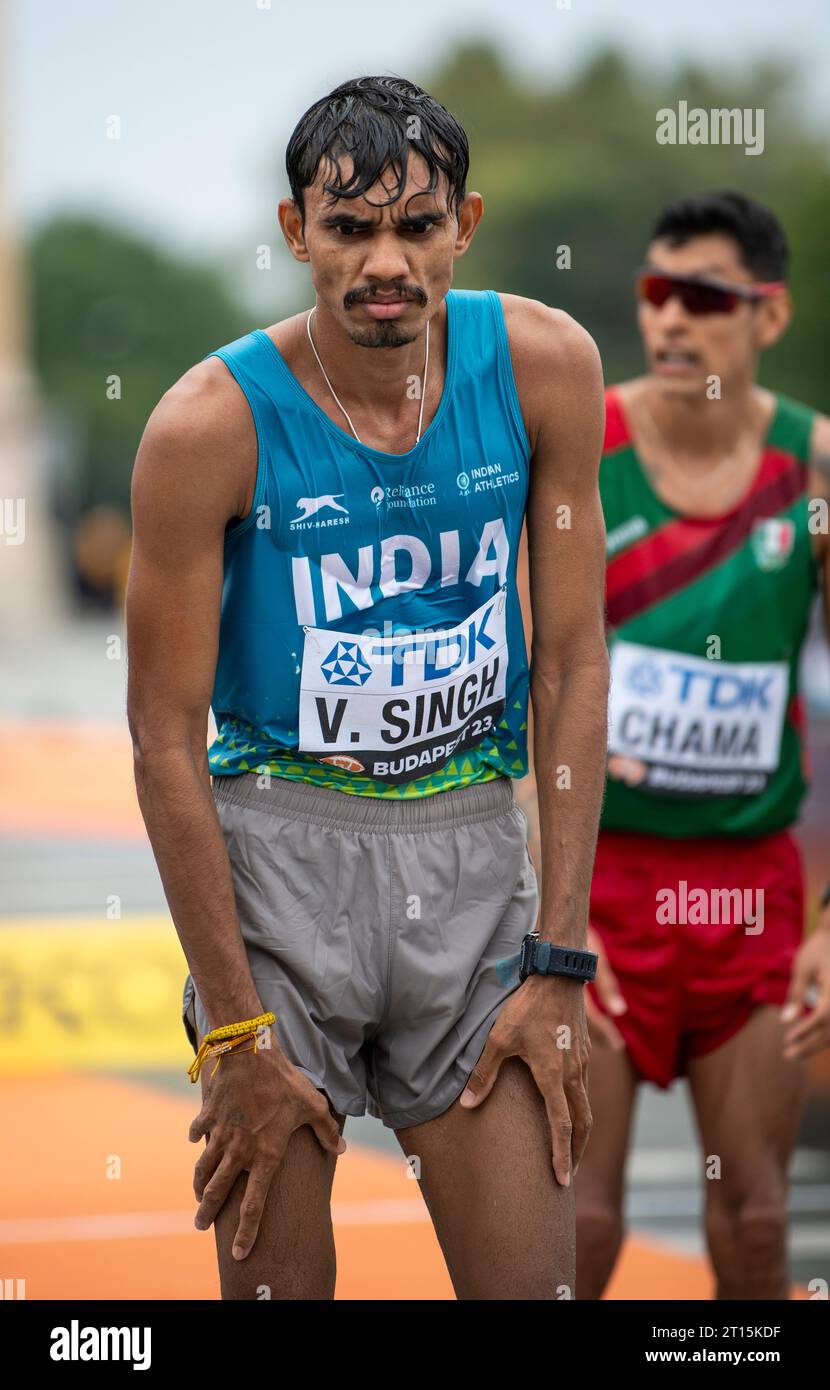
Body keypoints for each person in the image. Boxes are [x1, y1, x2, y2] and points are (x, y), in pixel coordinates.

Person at [126, 74, 608, 1300]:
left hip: (471, 866)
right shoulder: (206, 425)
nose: (383, 260)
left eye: (415, 225)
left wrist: (557, 957)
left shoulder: (545, 367)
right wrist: (234, 1030)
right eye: (348, 229)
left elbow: (567, 662)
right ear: (296, 231)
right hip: (279, 887)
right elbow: (165, 738)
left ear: (466, 224)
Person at [573, 191, 830, 1300]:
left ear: (765, 317)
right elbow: (519, 687)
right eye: (652, 293)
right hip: (599, 892)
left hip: (750, 898)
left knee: (757, 1221)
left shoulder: (813, 470)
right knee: (574, 1231)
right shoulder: (580, 451)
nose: (670, 321)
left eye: (703, 298)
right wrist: (546, 904)